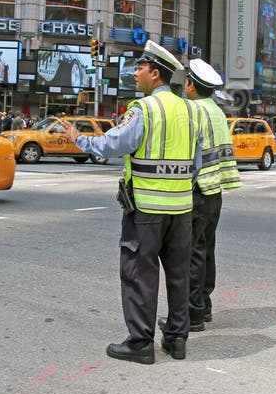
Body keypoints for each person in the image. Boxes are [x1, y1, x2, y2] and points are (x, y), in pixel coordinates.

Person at [59, 40, 204, 364]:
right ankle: (177, 340)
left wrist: (79, 139)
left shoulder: (145, 109)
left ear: (155, 74)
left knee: (140, 273)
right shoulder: (191, 111)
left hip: (147, 211)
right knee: (179, 275)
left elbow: (114, 145)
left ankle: (140, 343)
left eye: (139, 67)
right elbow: (196, 163)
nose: (135, 72)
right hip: (181, 210)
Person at [180, 59, 240, 331]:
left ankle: (192, 314)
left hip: (198, 191)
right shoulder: (217, 111)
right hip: (215, 191)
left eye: (186, 82)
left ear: (191, 85)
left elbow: (189, 156)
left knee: (192, 252)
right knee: (207, 250)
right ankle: (204, 305)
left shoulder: (193, 111)